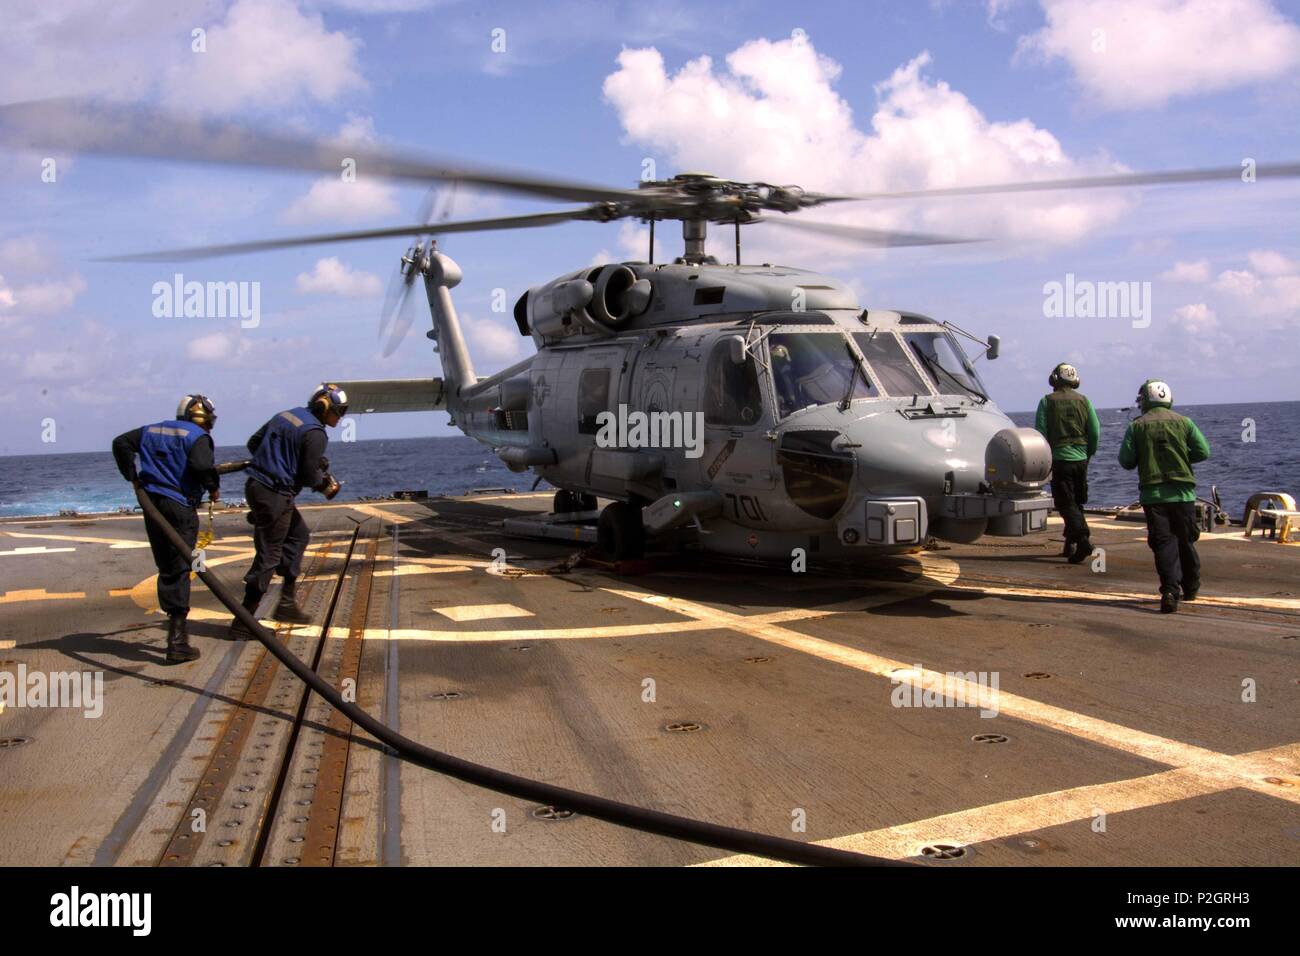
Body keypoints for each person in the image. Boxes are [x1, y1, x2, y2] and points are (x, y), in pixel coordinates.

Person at [229, 384, 346, 639]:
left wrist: (284, 458)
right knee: (269, 555)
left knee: (298, 536)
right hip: (274, 494)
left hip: (257, 487)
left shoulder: (286, 415)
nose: (340, 417)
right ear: (324, 407)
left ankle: (286, 604)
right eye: (339, 411)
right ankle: (242, 621)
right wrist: (323, 482)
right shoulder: (316, 433)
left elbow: (254, 443)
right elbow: (306, 475)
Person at [112, 395, 220, 663]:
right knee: (182, 568)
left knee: (168, 568)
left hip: (153, 506)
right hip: (179, 507)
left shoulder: (152, 429)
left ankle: (176, 639)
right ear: (203, 418)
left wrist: (133, 477)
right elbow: (202, 466)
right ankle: (177, 642)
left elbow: (120, 443)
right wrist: (212, 486)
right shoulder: (197, 436)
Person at [1118, 380, 1211, 614]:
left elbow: (1126, 461)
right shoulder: (1185, 422)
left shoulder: (1137, 426)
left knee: (1163, 543)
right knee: (1186, 540)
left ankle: (1170, 591)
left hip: (1154, 496)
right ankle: (1191, 587)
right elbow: (1203, 451)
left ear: (1146, 400)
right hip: (1183, 494)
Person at [1034, 363, 1101, 564]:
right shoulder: (1084, 401)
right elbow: (1095, 431)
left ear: (1054, 379)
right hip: (1081, 459)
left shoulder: (1047, 402)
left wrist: (1047, 460)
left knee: (1065, 503)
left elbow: (1041, 433)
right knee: (1077, 501)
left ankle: (1082, 540)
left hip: (1059, 459)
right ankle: (1070, 544)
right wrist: (1088, 454)